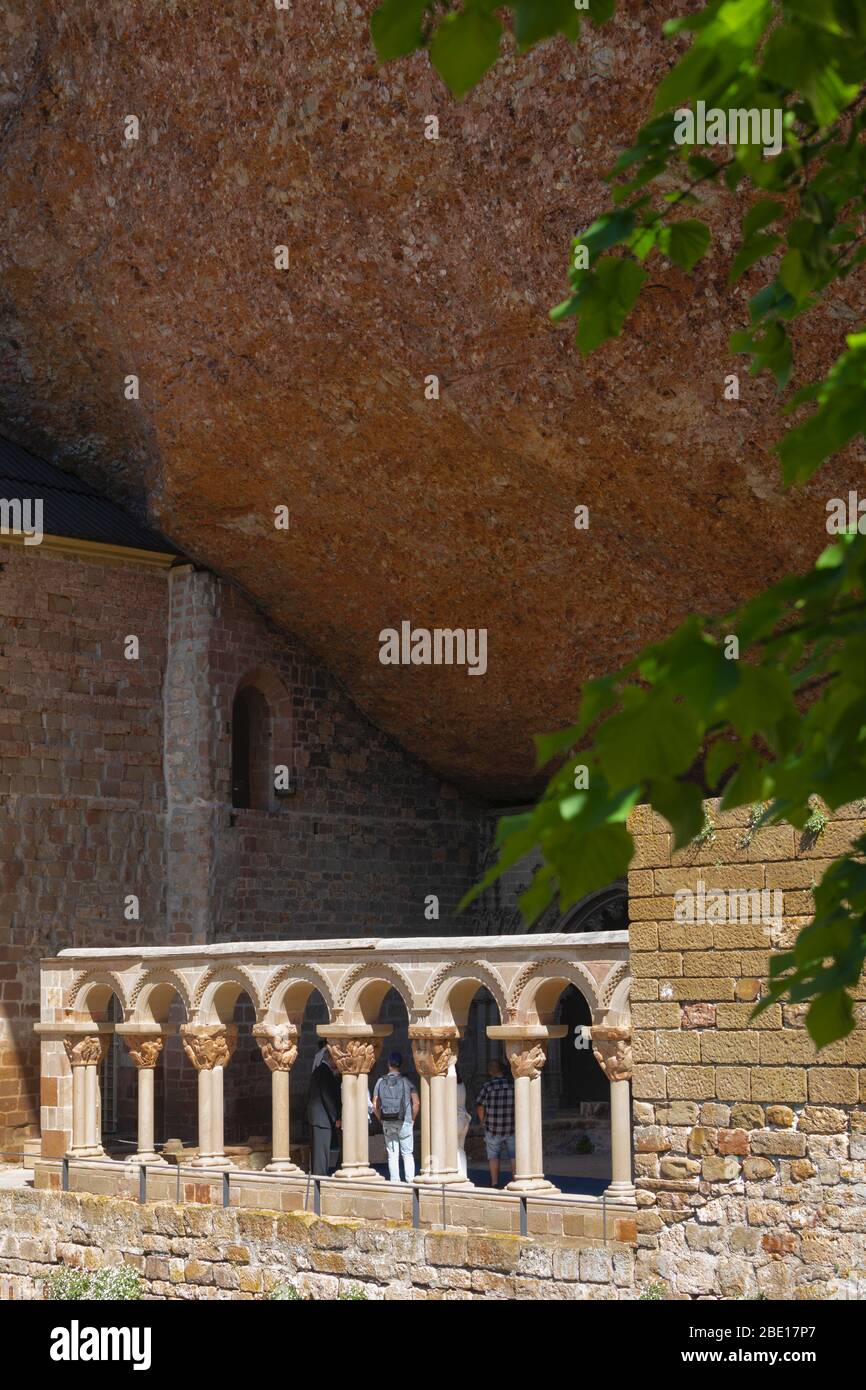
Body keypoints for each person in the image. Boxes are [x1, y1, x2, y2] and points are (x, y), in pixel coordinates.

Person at [373, 1051, 419, 1183]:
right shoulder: (407, 1082)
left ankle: (395, 1183)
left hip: (387, 1121)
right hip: (405, 1121)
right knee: (407, 1153)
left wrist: (381, 1119)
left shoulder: (380, 1081)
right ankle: (410, 1182)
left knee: (392, 1155)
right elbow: (416, 1103)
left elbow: (375, 1103)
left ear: (388, 1065)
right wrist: (412, 1118)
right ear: (401, 1065)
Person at [475, 1058, 515, 1188]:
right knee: (514, 1155)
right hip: (512, 1126)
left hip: (493, 1127)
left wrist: (482, 1121)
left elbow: (480, 1105)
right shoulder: (512, 1084)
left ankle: (495, 1182)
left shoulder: (488, 1086)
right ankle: (517, 1179)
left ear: (490, 1071)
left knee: (493, 1156)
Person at [306, 1051, 341, 1175]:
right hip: (322, 1119)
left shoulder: (318, 1070)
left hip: (315, 1117)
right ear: (331, 1058)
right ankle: (321, 1177)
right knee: (322, 1151)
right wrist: (335, 1117)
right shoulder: (325, 1073)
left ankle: (318, 1178)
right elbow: (328, 1097)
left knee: (317, 1151)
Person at [455, 1064, 471, 1180]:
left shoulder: (450, 1084)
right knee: (460, 1148)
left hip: (455, 1119)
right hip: (464, 1119)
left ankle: (456, 1176)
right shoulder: (462, 1084)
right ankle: (463, 1174)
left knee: (453, 1148)